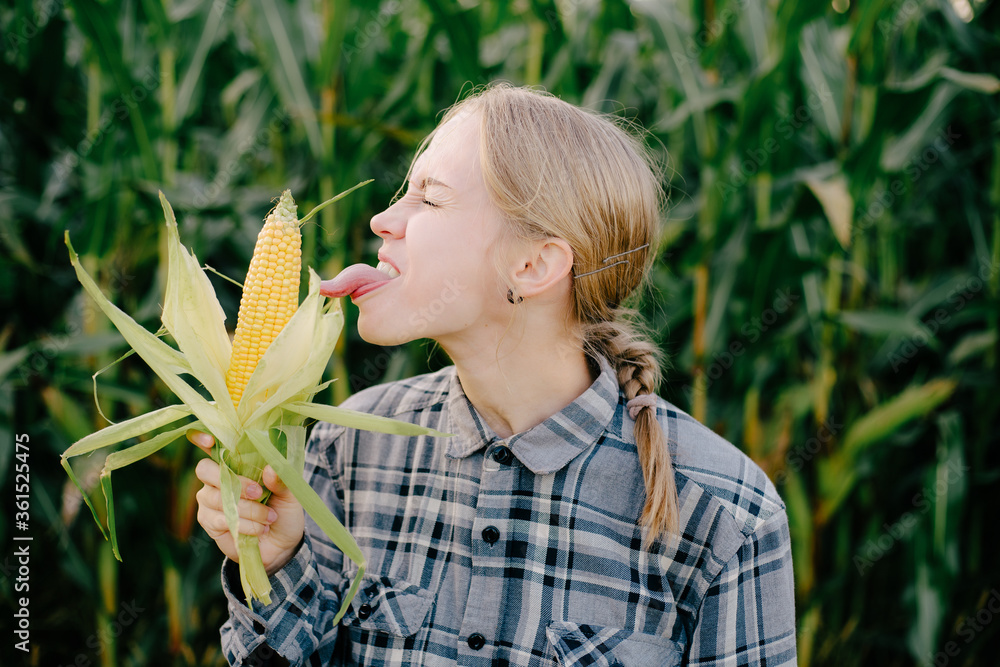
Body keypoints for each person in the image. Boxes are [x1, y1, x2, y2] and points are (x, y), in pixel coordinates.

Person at [190, 83, 797, 666]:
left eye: (428, 198)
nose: (381, 219)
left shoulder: (727, 517)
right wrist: (273, 564)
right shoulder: (346, 448)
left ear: (533, 264)